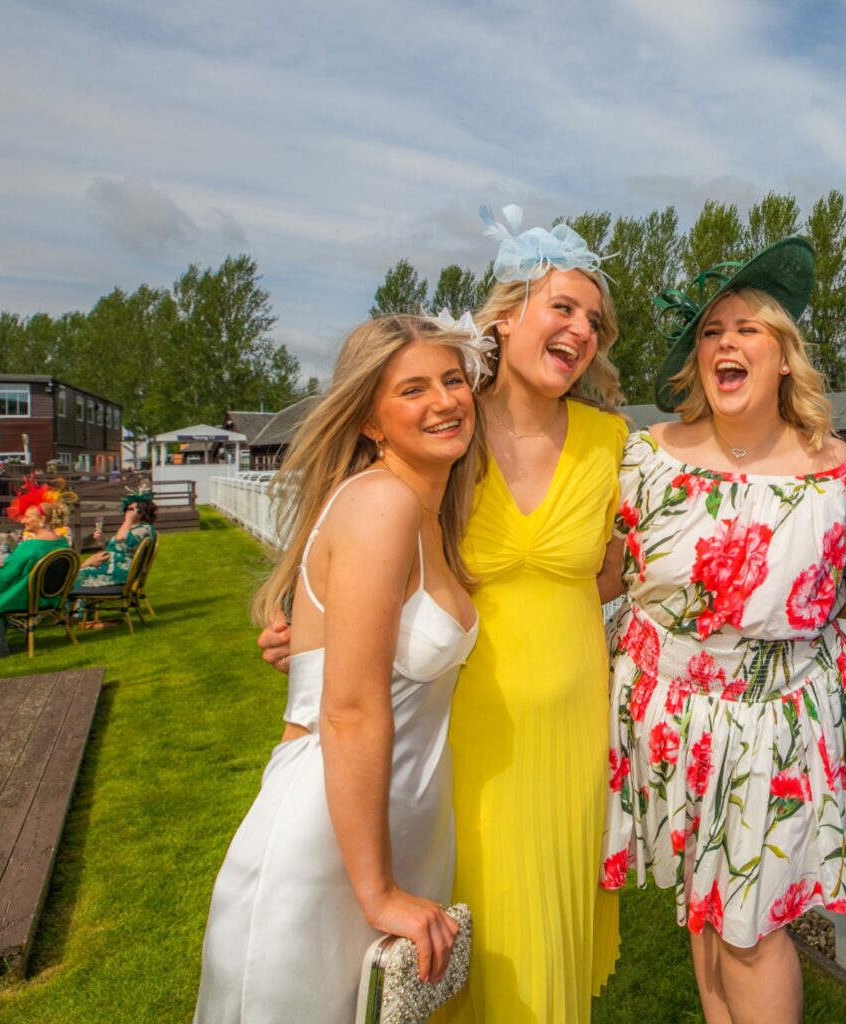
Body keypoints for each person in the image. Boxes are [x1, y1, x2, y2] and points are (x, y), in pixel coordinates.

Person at [259, 207, 628, 1023]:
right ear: (504, 319)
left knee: (548, 952)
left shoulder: (612, 444)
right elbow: (367, 540)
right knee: (474, 938)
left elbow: (604, 576)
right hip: (467, 730)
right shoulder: (450, 433)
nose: (580, 330)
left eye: (593, 321)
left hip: (573, 727)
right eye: (562, 307)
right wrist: (313, 630)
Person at [597, 239, 846, 1024]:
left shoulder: (842, 471)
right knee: (707, 912)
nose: (726, 344)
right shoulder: (644, 458)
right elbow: (597, 578)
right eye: (711, 333)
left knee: (751, 928)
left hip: (775, 722)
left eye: (747, 329)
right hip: (667, 713)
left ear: (785, 356)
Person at [195, 314, 484, 1023]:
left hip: (397, 824)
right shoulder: (382, 504)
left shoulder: (429, 509)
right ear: (370, 421)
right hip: (332, 843)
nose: (444, 401)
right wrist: (378, 891)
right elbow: (350, 708)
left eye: (453, 379)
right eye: (412, 389)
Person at [0, 480, 74, 618]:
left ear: (41, 519)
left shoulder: (29, 547)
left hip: (22, 599)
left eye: (27, 517)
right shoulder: (62, 543)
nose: (22, 521)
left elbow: (4, 580)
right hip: (48, 598)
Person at [73, 492, 158, 625]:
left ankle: (79, 618)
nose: (127, 512)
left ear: (142, 511)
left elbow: (121, 538)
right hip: (113, 569)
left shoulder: (145, 529)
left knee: (76, 576)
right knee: (78, 572)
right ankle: (83, 617)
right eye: (126, 509)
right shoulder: (133, 528)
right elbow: (116, 549)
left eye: (131, 509)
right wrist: (102, 542)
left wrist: (128, 520)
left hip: (122, 574)